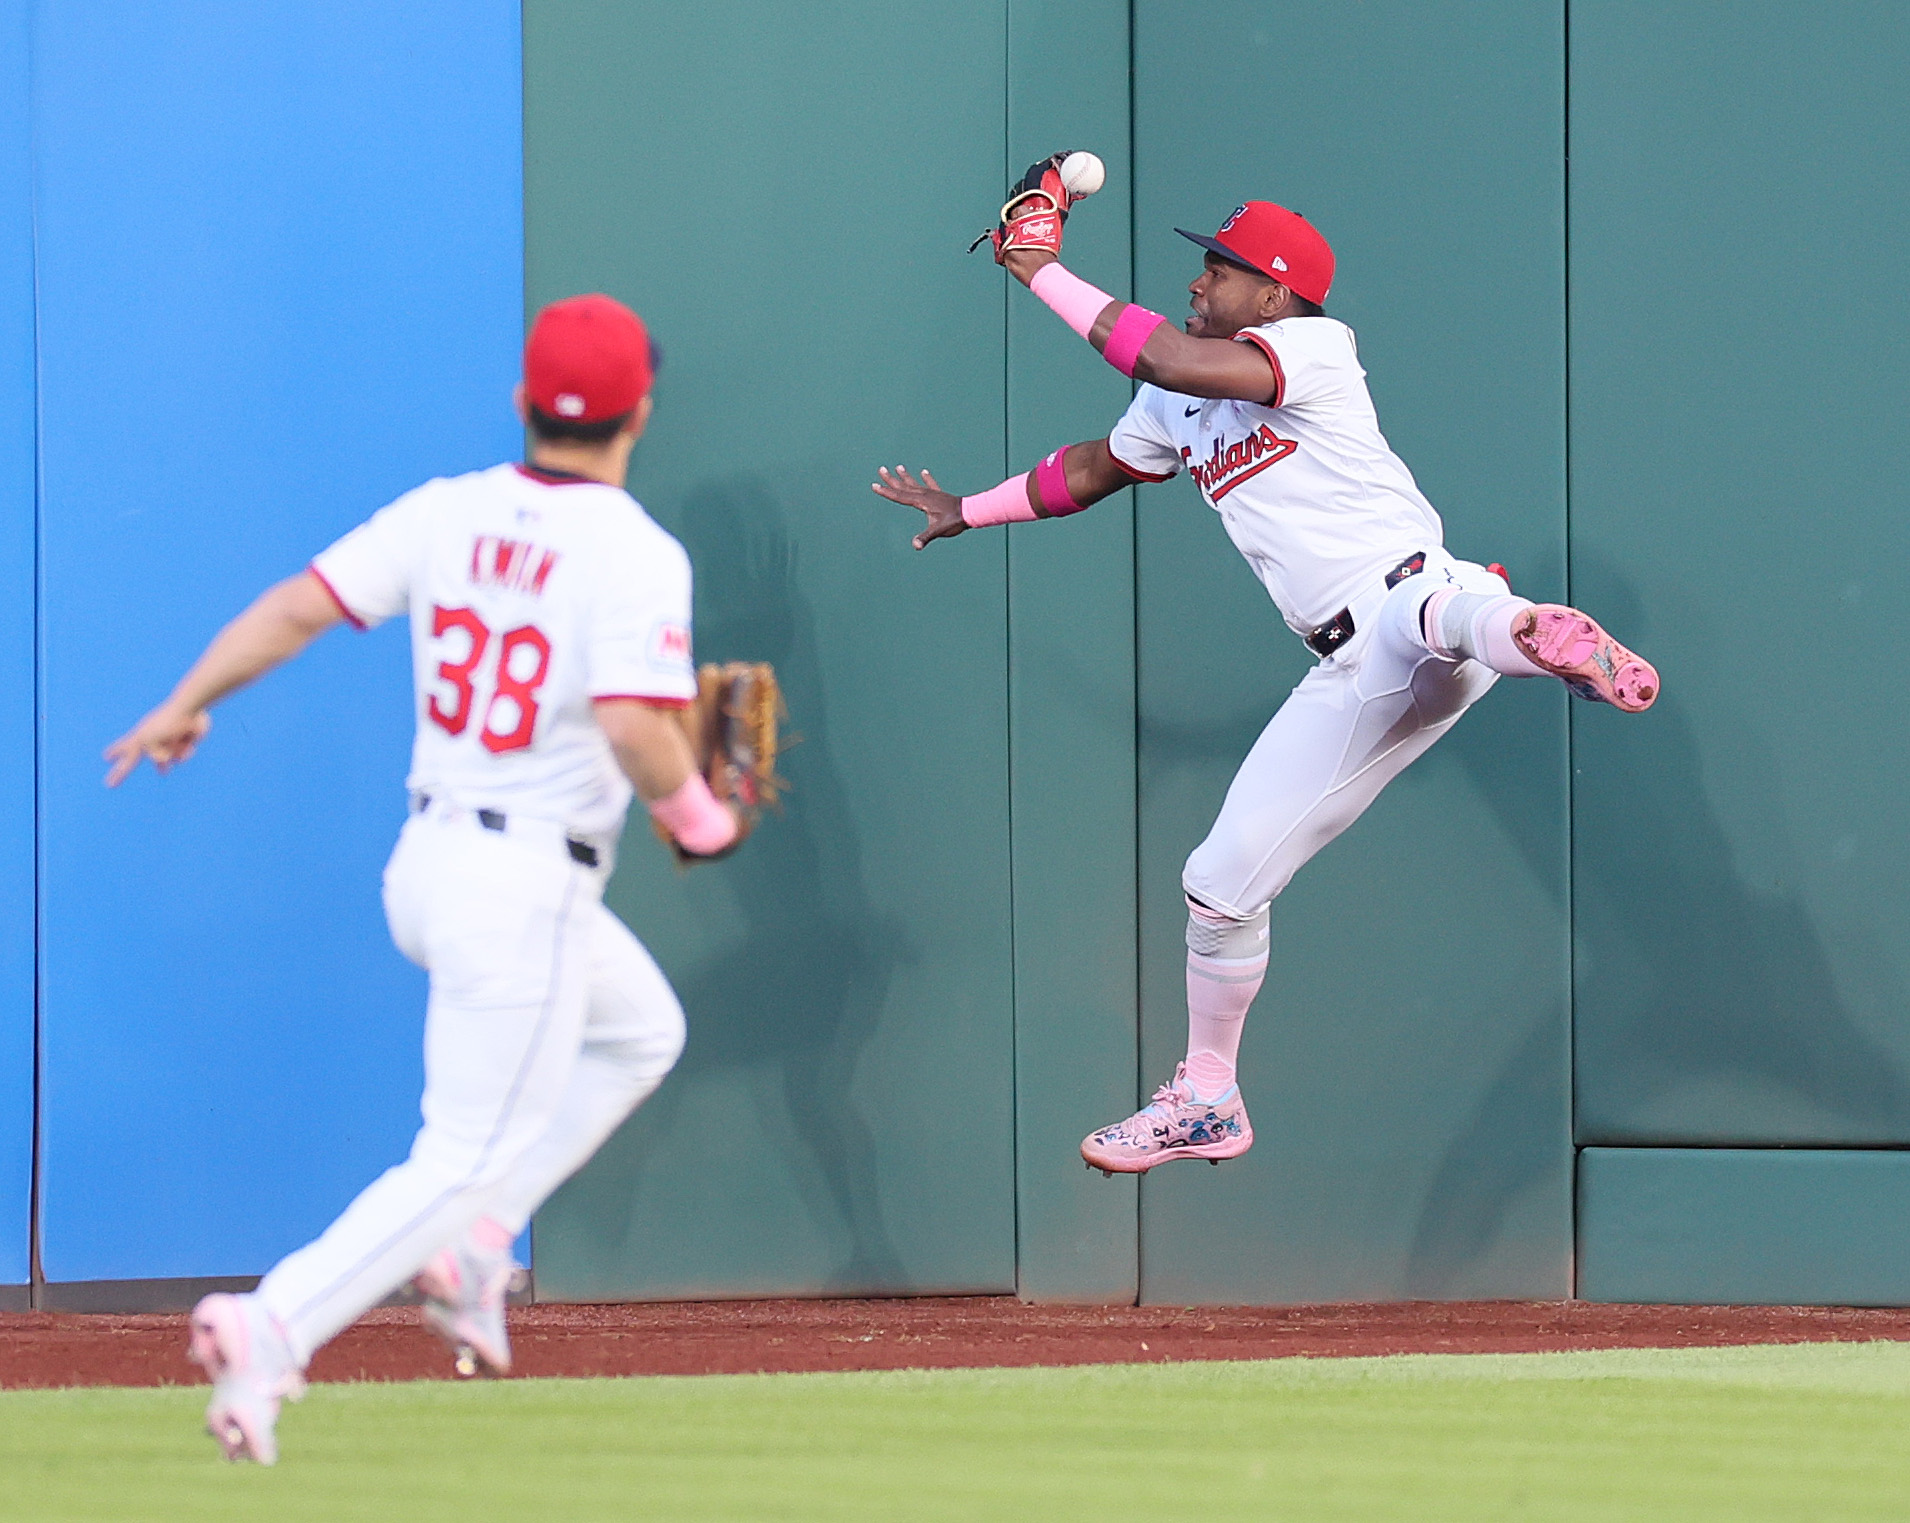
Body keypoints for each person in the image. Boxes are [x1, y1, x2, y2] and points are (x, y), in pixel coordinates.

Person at [872, 196, 1657, 1177]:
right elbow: (1093, 467)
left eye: (1221, 267)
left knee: (1435, 610)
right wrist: (970, 508)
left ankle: (1534, 635)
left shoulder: (1315, 349)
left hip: (1414, 596)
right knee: (1217, 886)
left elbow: (1164, 355)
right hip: (1359, 670)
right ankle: (1208, 1095)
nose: (1198, 280)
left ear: (1275, 295)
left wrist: (1040, 269)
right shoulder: (1175, 403)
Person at [106, 294, 749, 1464]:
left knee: (639, 1032)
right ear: (639, 412)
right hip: (523, 887)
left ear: (523, 400)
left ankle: (476, 1247)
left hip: (433, 861)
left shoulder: (447, 509)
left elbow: (298, 606)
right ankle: (272, 1322)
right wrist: (699, 818)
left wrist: (186, 699)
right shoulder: (633, 548)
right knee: (457, 1153)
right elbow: (631, 722)